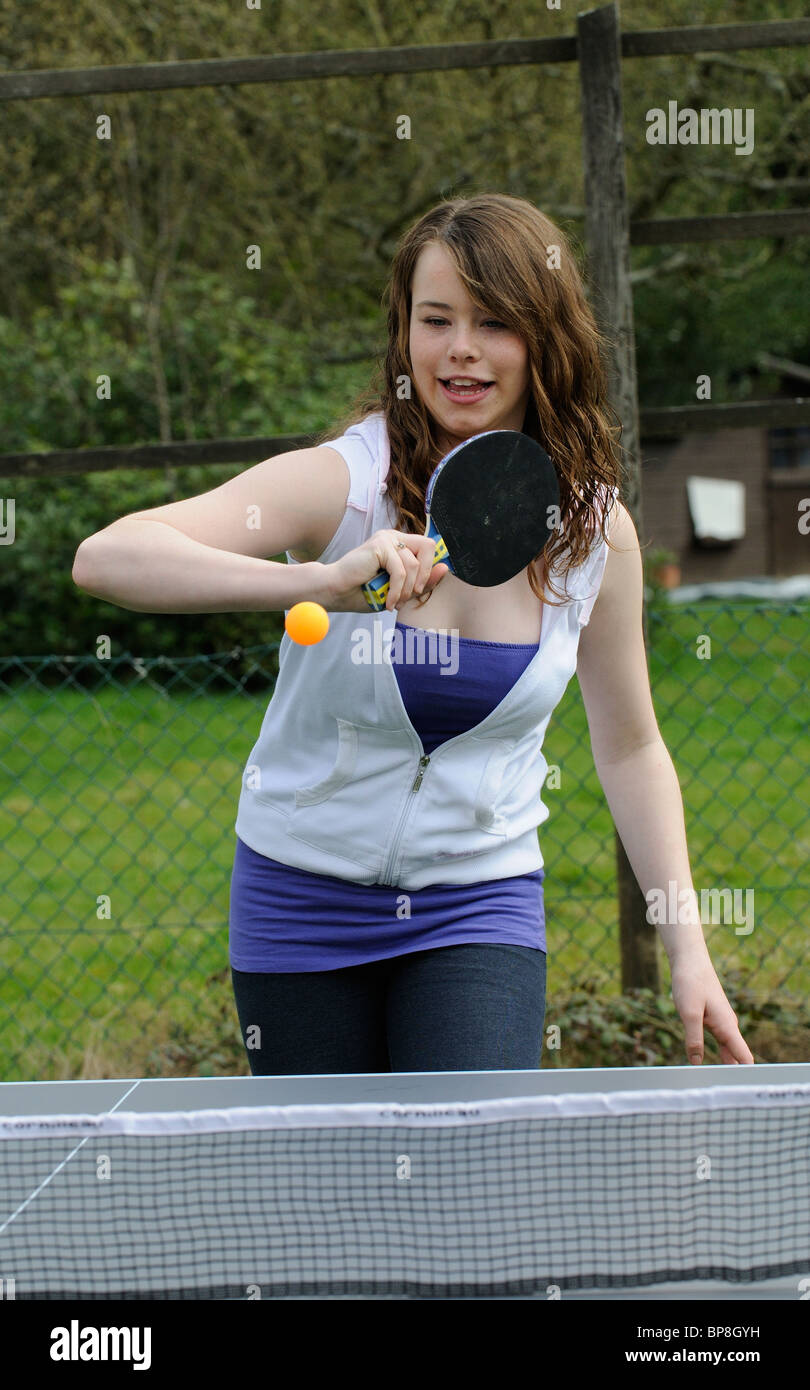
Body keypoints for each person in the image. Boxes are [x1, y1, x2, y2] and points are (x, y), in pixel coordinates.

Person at [73, 192, 754, 1075]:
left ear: (545, 341)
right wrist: (316, 580)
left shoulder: (593, 532)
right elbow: (107, 556)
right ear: (405, 335)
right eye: (436, 320)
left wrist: (686, 946)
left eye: (494, 322)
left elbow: (631, 748)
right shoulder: (347, 485)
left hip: (480, 901)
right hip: (297, 900)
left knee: (468, 1182)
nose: (460, 348)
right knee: (328, 1200)